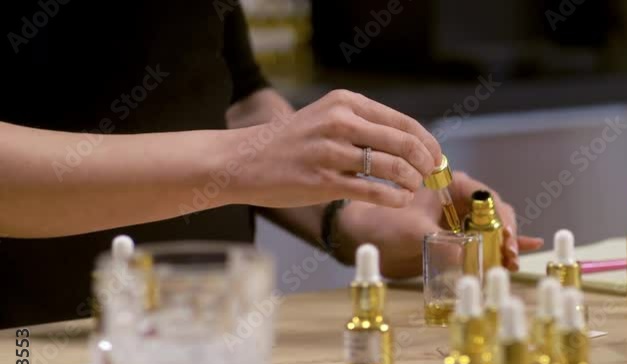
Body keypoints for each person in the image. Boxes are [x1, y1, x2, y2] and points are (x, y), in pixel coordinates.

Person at [0, 1, 542, 328]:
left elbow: (236, 95)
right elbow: (243, 147)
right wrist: (240, 161)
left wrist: (349, 212)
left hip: (212, 332)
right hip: (26, 352)